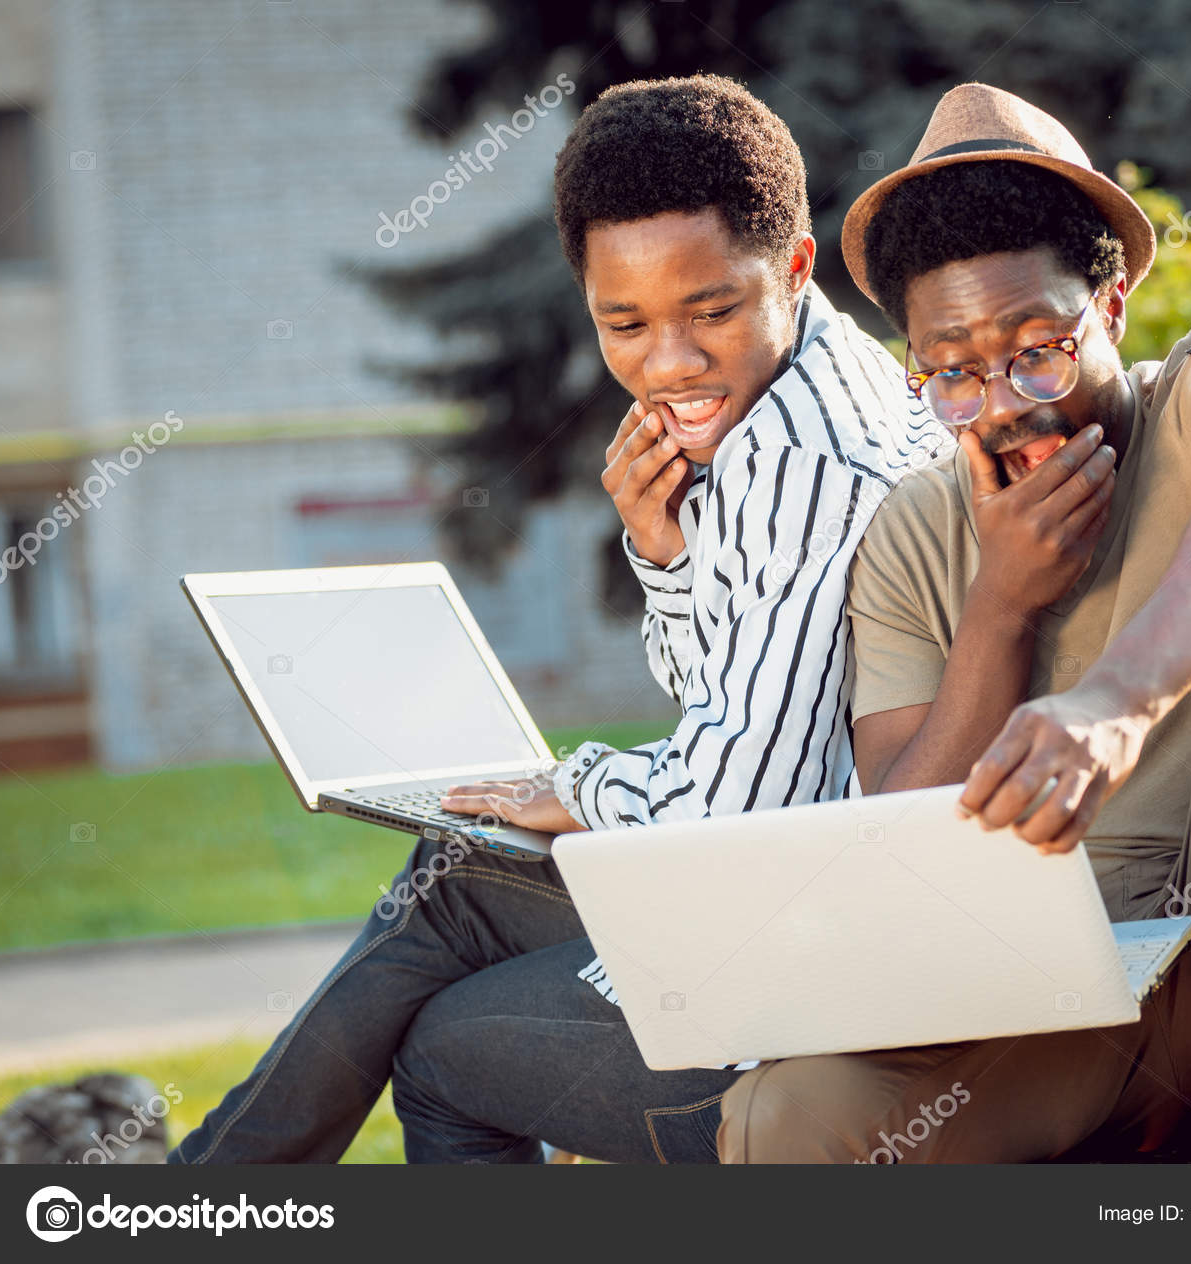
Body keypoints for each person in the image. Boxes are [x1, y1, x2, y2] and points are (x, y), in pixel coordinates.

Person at [169, 74, 949, 1165]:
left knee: (447, 1031)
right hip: (797, 888)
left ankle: (198, 1194)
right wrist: (667, 555)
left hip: (811, 939)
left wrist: (578, 787)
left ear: (794, 267)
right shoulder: (823, 374)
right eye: (623, 322)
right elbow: (731, 696)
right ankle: (204, 1189)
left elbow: (737, 804)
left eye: (711, 312)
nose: (668, 363)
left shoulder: (799, 462)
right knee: (456, 880)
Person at [716, 83, 1191, 1165]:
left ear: (1115, 307)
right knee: (785, 1117)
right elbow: (898, 841)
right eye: (952, 372)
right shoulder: (913, 532)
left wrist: (1113, 703)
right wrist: (1000, 606)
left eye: (1039, 346)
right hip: (1079, 1006)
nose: (1005, 402)